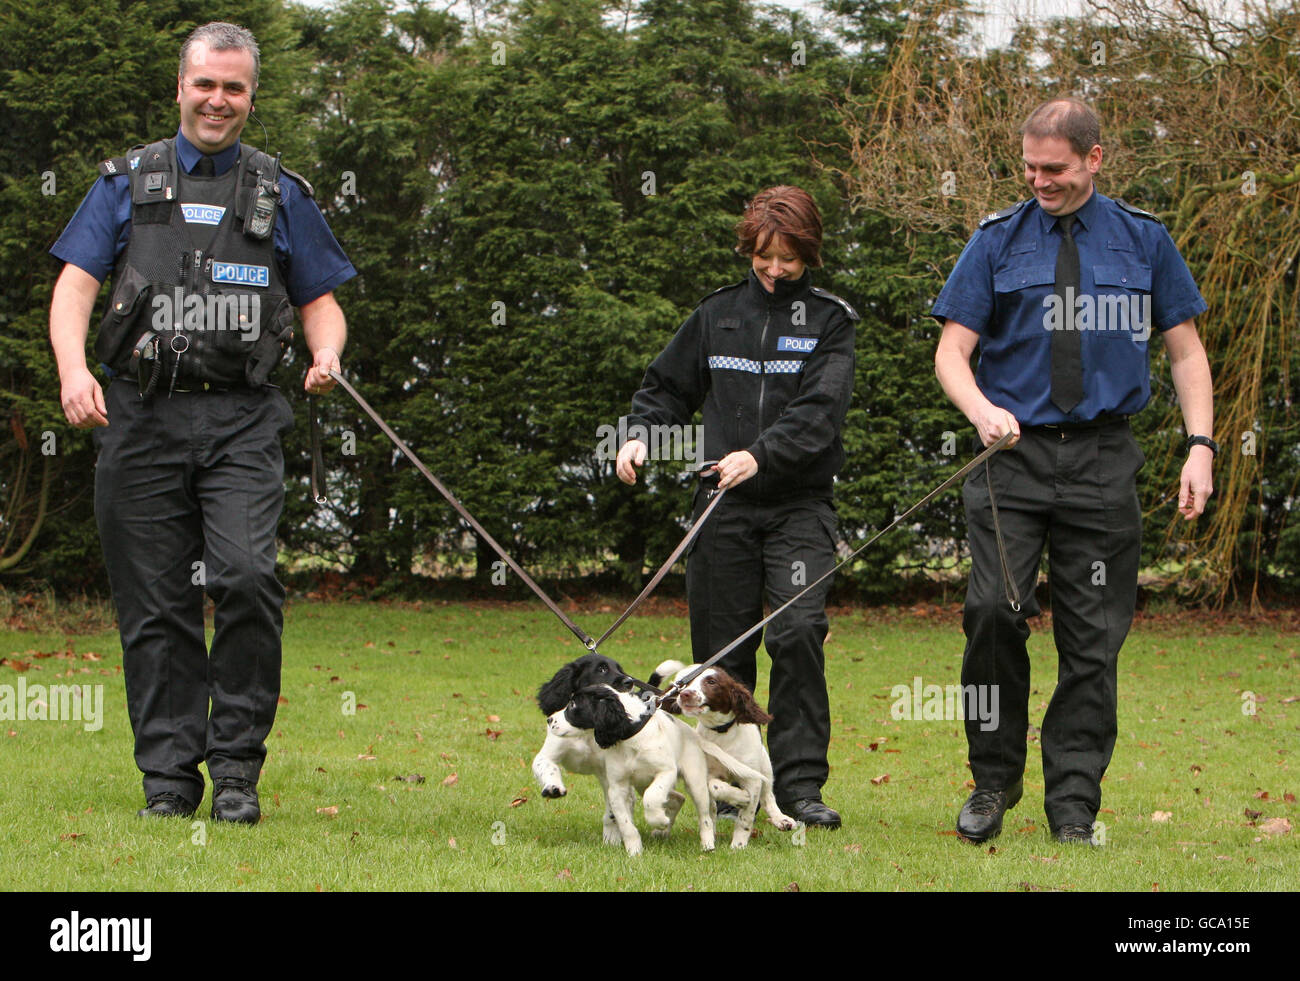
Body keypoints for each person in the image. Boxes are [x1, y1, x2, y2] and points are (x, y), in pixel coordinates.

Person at [49, 22, 356, 824]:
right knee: (154, 604)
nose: (218, 100)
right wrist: (74, 370)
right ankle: (170, 779)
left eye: (235, 87)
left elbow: (322, 302)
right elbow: (77, 284)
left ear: (252, 97)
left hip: (243, 420)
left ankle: (237, 771)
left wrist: (326, 356)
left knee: (248, 578)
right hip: (139, 416)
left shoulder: (278, 191)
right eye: (205, 84)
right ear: (181, 87)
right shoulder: (124, 183)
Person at [932, 98, 1214, 844]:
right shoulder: (996, 240)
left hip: (1100, 461)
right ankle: (992, 781)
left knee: (1093, 638)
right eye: (1028, 167)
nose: (1038, 180)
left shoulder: (1145, 241)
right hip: (1011, 458)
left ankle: (1073, 807)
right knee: (994, 609)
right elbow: (952, 353)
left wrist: (1201, 445)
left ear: (1095, 158)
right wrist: (981, 410)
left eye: (1053, 168)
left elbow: (1185, 351)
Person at [616, 186, 857, 828]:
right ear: (748, 249)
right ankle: (724, 789)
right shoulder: (716, 314)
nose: (775, 270)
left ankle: (801, 788)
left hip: (799, 506)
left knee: (798, 632)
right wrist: (641, 432)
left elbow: (819, 414)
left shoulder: (831, 321)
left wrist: (762, 454)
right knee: (719, 659)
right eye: (763, 258)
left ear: (809, 253)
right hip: (720, 507)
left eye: (789, 260)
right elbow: (666, 388)